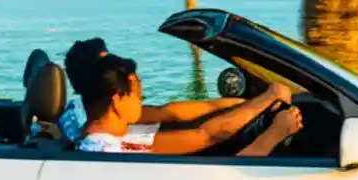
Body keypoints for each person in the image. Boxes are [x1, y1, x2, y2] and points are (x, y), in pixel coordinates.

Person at [73, 52, 302, 156]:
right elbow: (208, 136)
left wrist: (254, 102)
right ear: (117, 100)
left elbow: (176, 115)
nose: (142, 100)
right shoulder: (113, 152)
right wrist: (276, 132)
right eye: (137, 95)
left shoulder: (100, 136)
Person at [58, 38, 245, 140]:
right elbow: (205, 135)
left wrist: (236, 104)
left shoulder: (83, 112)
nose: (141, 96)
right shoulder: (107, 144)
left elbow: (167, 112)